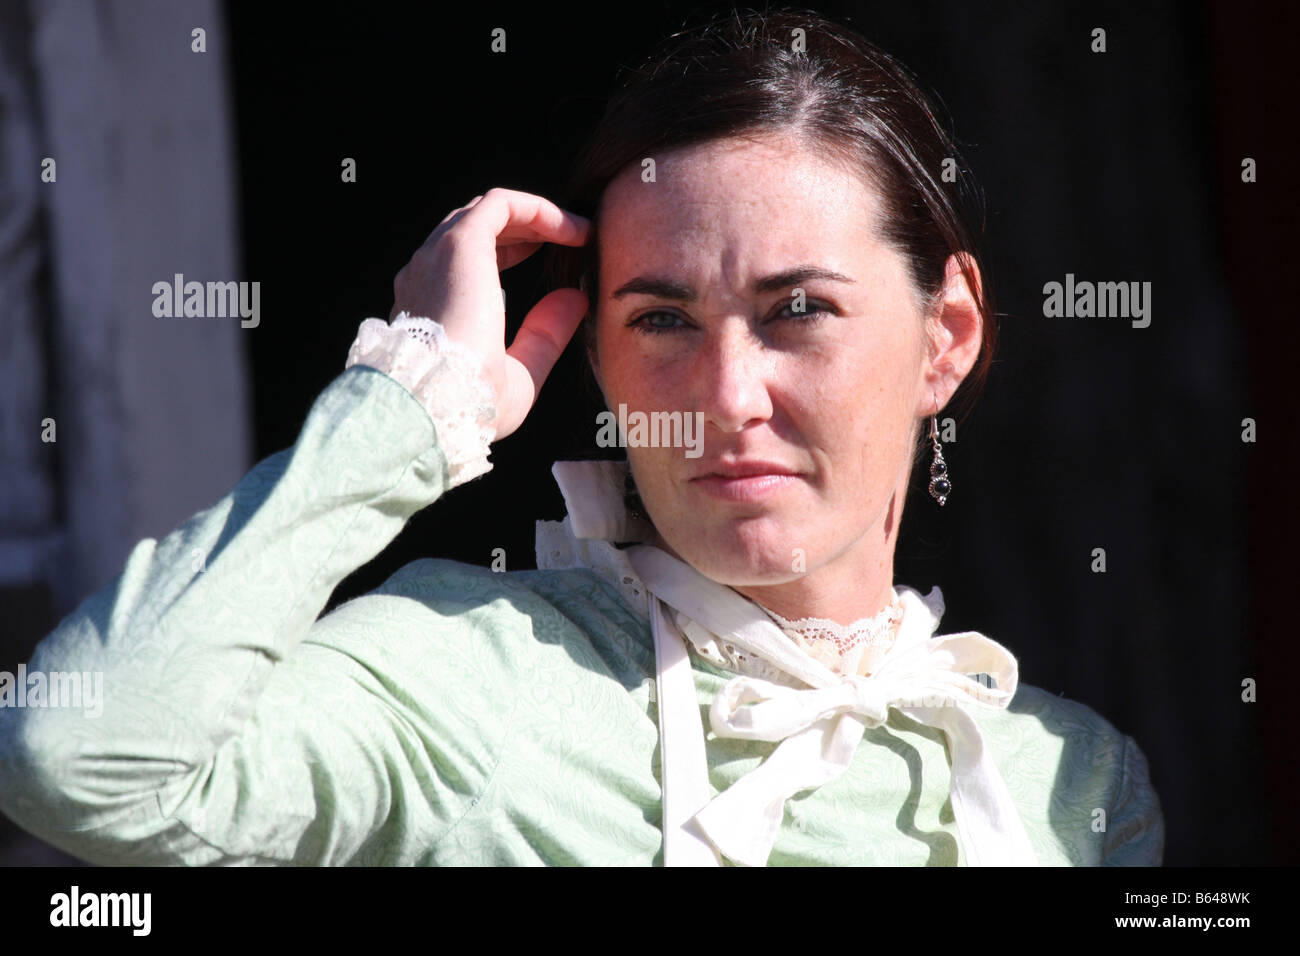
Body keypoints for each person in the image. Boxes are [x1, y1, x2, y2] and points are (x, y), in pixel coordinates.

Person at [0, 7, 1162, 866]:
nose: (725, 394)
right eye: (661, 319)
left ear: (944, 334)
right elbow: (81, 757)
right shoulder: (473, 675)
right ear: (596, 357)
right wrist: (407, 401)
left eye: (797, 310)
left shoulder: (1071, 782)